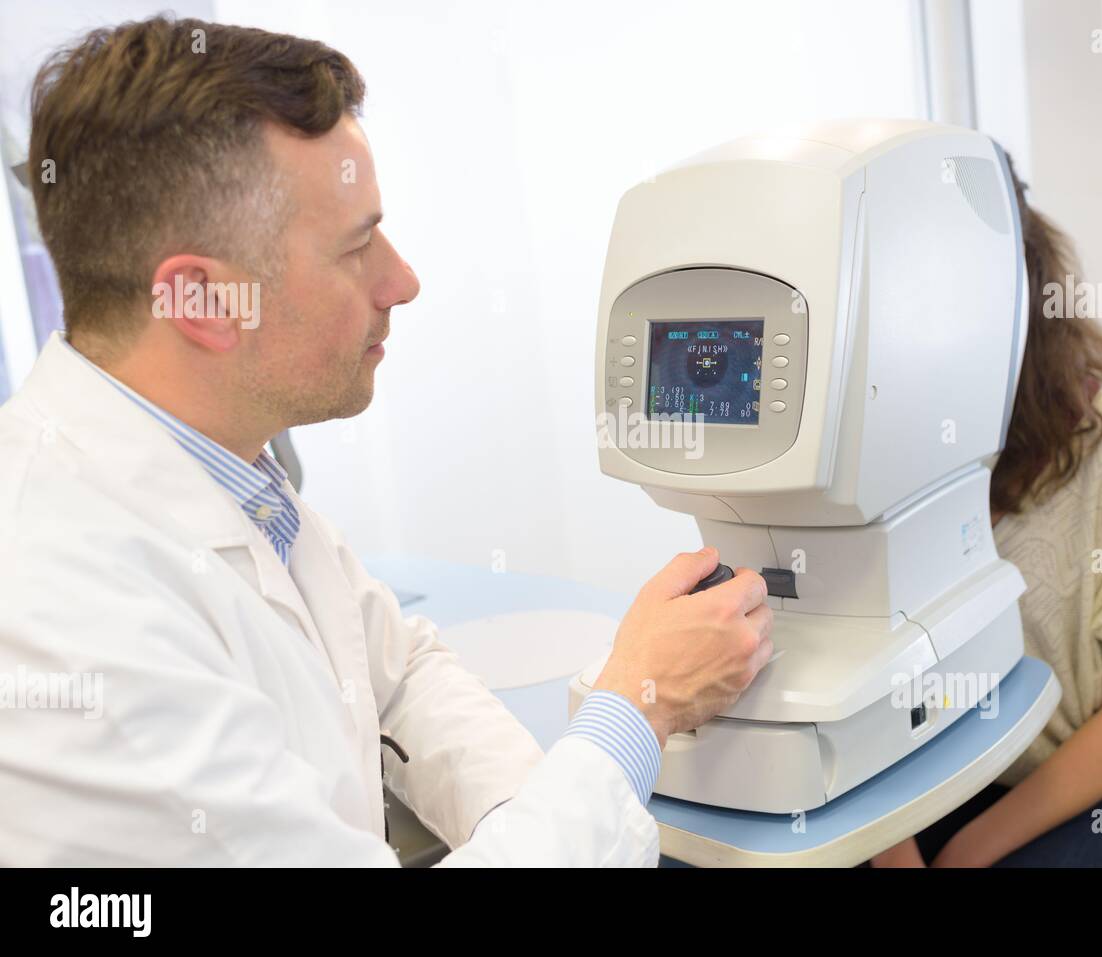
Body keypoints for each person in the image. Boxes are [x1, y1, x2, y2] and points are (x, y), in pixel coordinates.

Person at [0, 16, 773, 866]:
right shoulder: (72, 619)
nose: (401, 281)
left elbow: (396, 669)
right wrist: (636, 709)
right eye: (357, 245)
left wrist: (549, 813)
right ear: (205, 302)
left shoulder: (223, 467)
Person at [871, 153, 1102, 867]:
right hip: (935, 787)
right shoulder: (883, 444)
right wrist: (890, 848)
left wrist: (968, 855)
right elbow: (862, 672)